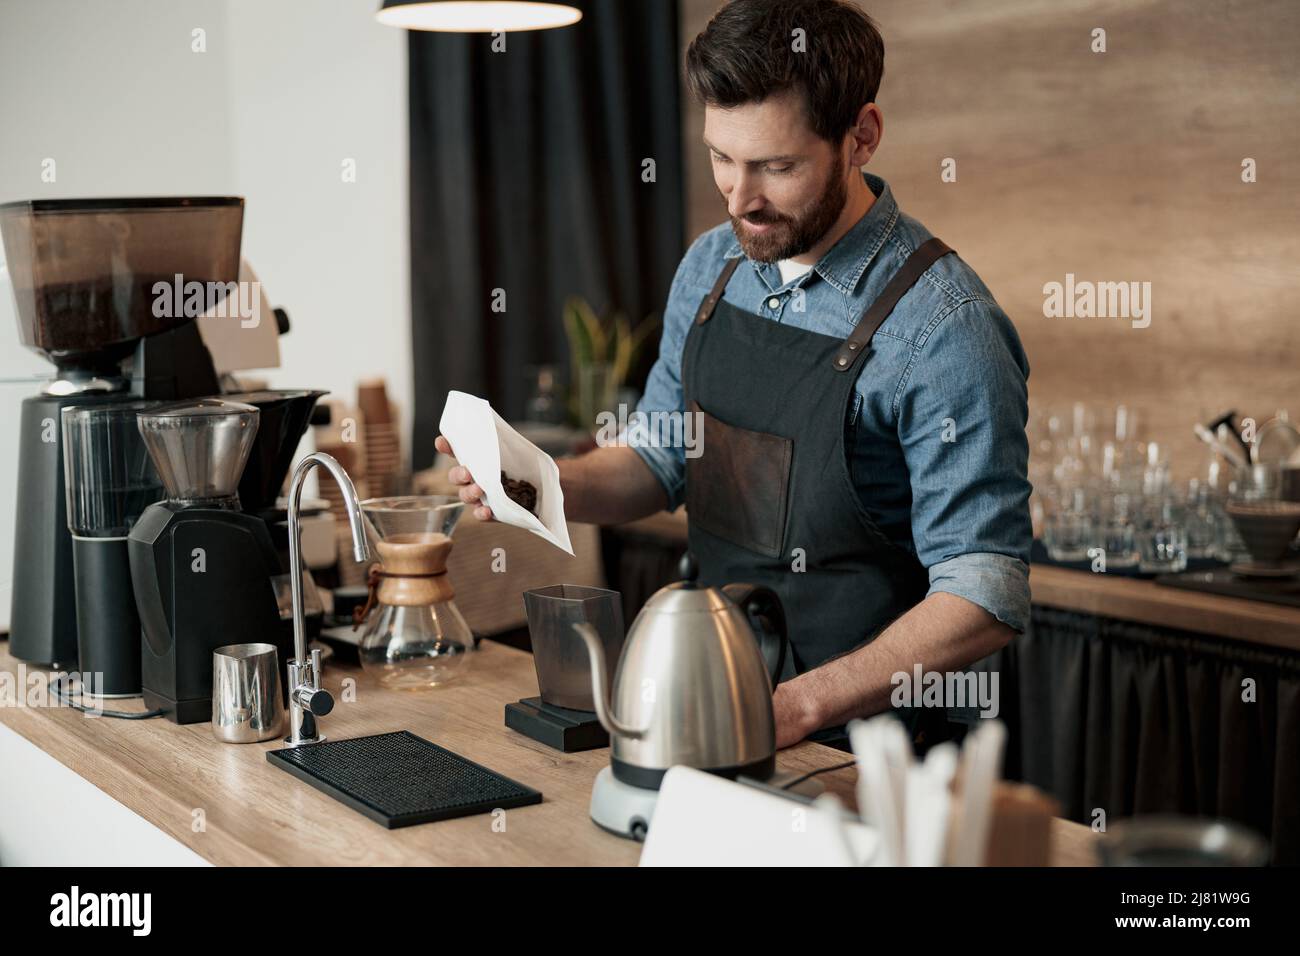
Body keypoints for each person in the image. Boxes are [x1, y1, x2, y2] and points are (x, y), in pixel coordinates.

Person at [437, 0, 1031, 750]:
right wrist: (536, 481)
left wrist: (795, 707)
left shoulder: (947, 330)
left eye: (776, 167)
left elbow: (985, 591)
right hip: (714, 699)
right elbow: (659, 458)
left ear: (862, 138)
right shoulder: (712, 266)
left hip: (868, 748)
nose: (739, 197)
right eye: (722, 157)